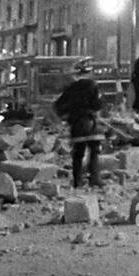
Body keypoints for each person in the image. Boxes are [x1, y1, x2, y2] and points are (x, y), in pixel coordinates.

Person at [54, 61, 105, 189]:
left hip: (76, 125)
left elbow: (58, 106)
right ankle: (95, 178)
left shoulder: (70, 88)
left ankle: (78, 181)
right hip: (90, 124)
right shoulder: (93, 86)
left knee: (78, 153)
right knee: (94, 151)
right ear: (89, 73)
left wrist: (67, 117)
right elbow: (98, 104)